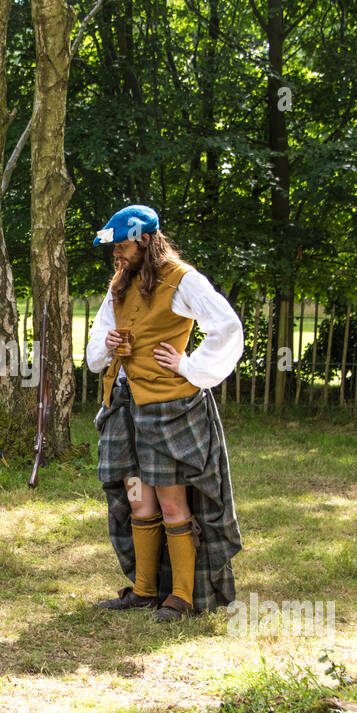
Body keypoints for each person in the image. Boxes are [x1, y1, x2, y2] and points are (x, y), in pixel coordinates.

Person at [86, 206, 244, 621]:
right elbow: (94, 352)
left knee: (173, 502)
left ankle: (182, 596)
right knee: (138, 498)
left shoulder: (183, 279)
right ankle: (143, 589)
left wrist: (190, 366)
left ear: (143, 241)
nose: (116, 254)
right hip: (124, 406)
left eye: (121, 245)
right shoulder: (120, 284)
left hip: (168, 408)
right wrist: (111, 345)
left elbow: (227, 327)